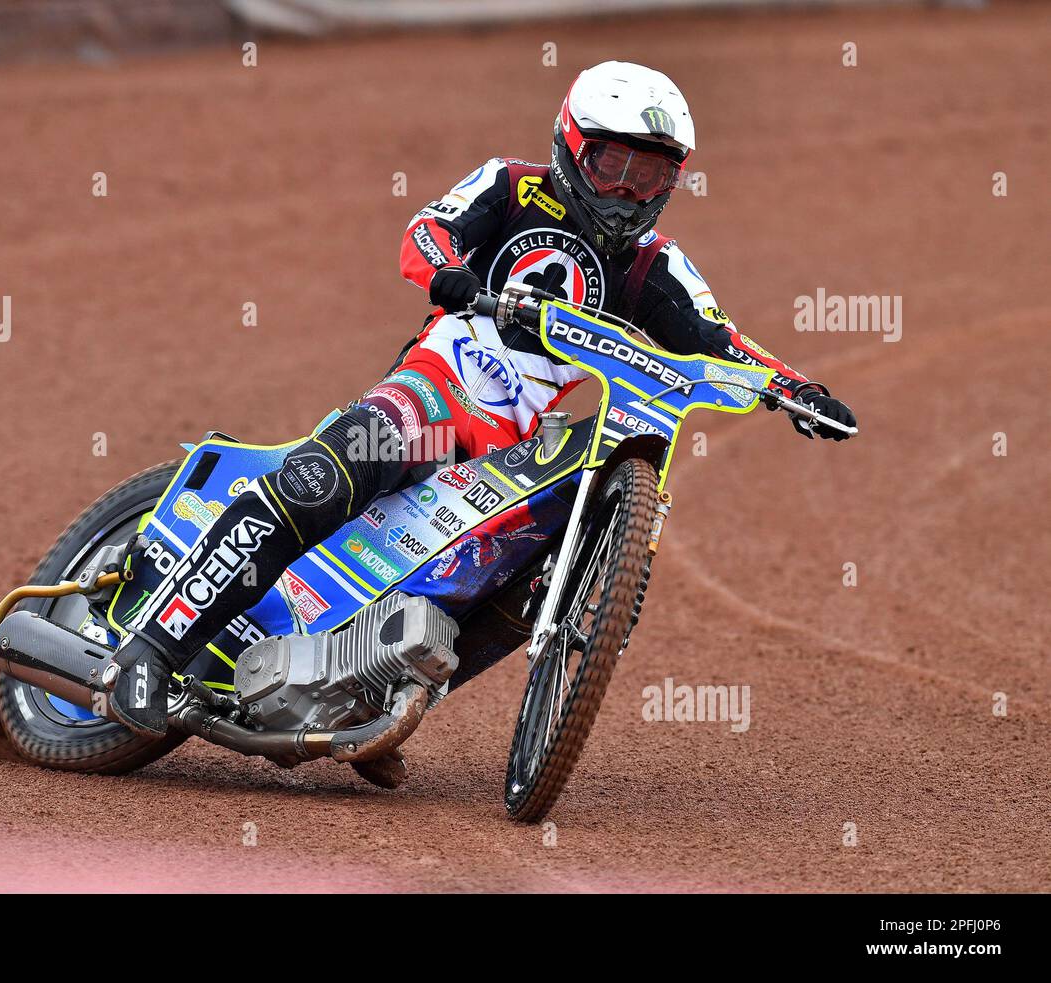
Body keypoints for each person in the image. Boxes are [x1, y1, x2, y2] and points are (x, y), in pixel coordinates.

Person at [105, 61, 857, 736]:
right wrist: (454, 278)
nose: (629, 190)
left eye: (650, 174)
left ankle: (369, 699)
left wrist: (796, 390)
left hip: (516, 450)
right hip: (437, 391)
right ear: (571, 145)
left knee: (522, 585)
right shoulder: (508, 185)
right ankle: (150, 645)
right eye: (614, 163)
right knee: (330, 472)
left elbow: (721, 342)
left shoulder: (655, 268)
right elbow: (426, 231)